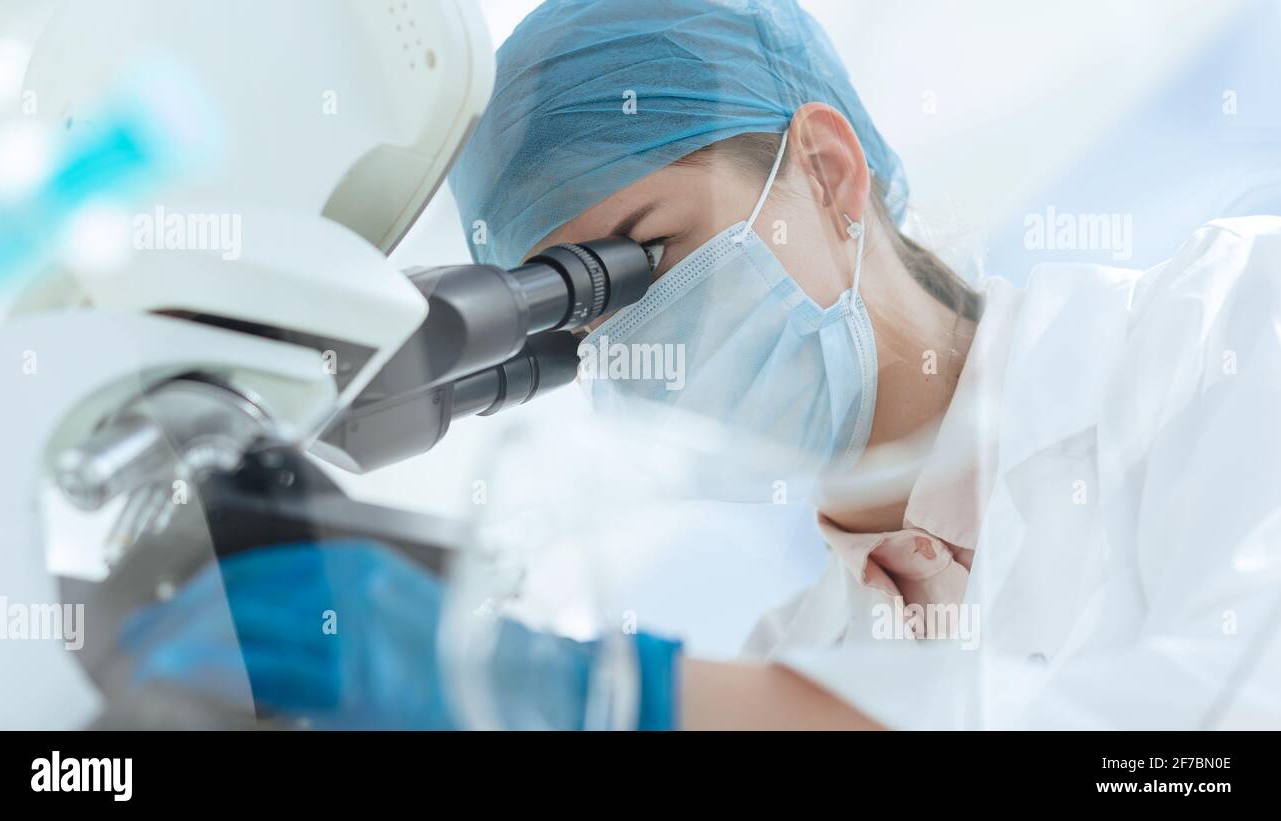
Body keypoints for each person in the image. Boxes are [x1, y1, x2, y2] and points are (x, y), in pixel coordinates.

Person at [126, 0, 1281, 729]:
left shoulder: (1231, 326)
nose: (627, 337)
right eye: (574, 318)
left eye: (645, 256)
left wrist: (594, 696)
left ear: (826, 172)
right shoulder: (793, 657)